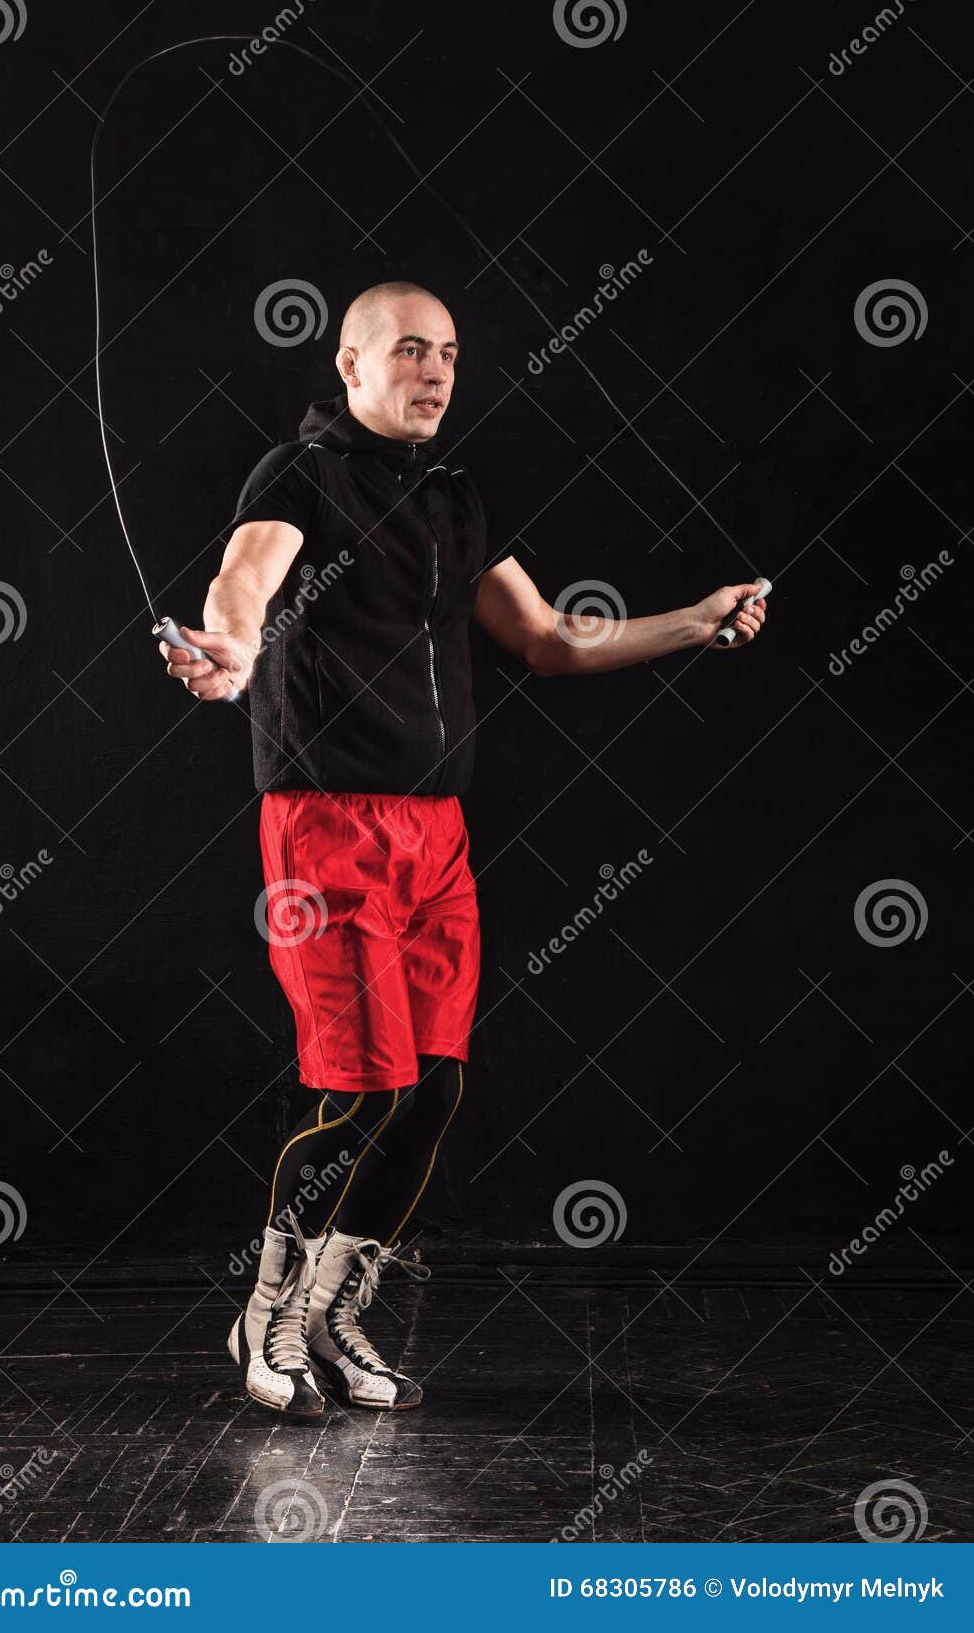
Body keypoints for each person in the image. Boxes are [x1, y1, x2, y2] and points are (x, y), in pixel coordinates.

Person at [158, 280, 767, 1419]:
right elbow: (244, 584)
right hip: (327, 825)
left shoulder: (450, 496)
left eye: (445, 353)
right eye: (406, 351)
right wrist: (229, 651)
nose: (433, 371)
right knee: (358, 1085)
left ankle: (335, 1316)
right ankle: (267, 1311)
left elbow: (541, 638)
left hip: (434, 837)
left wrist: (693, 619)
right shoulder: (297, 477)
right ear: (347, 365)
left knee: (429, 1088)